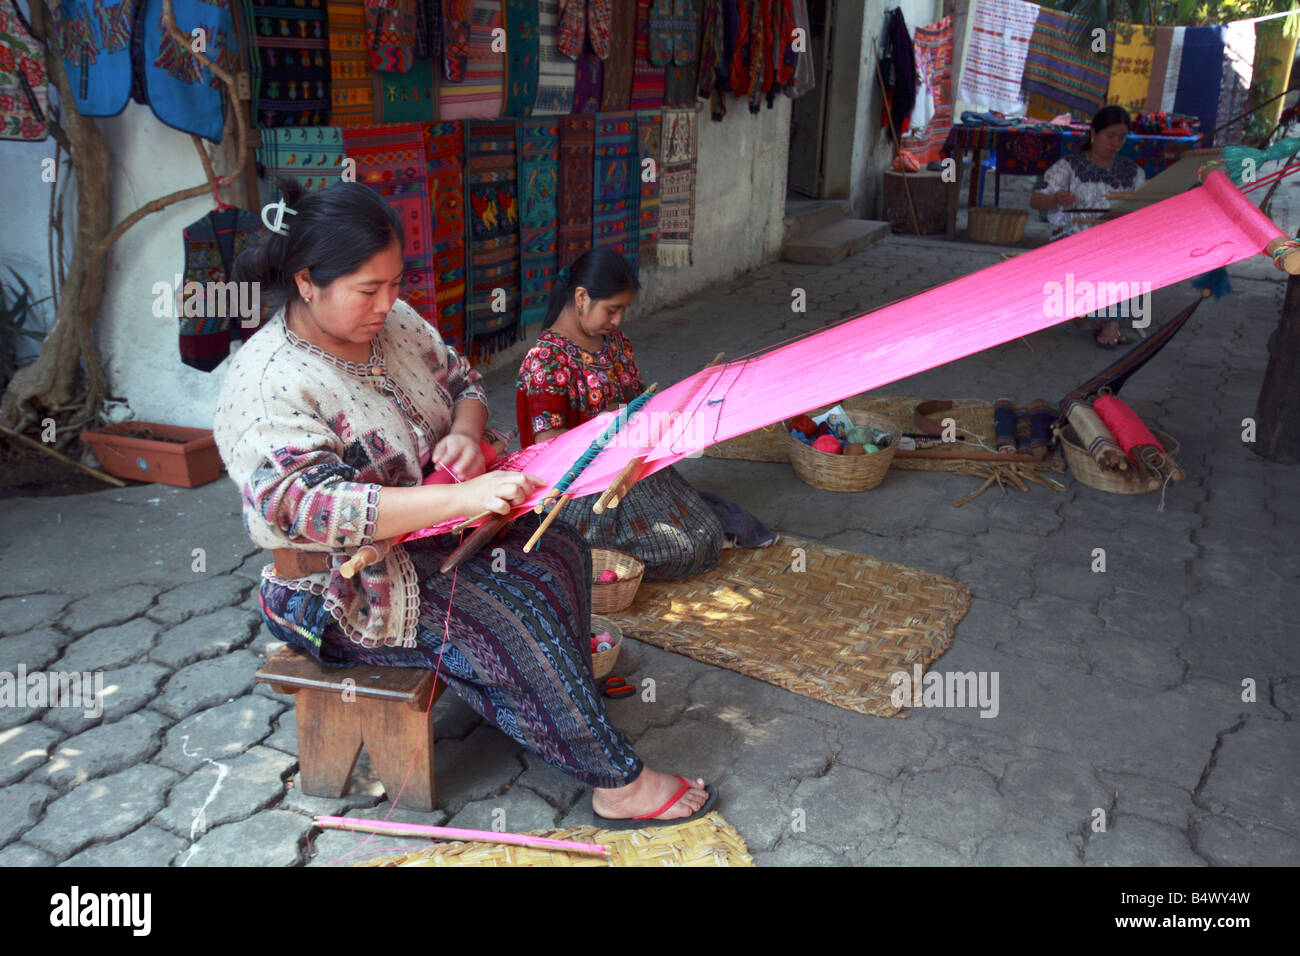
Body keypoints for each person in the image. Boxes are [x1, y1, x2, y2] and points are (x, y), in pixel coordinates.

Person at [213, 181, 715, 827]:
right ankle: (615, 780)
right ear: (307, 282)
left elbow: (464, 381)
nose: (388, 303)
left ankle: (556, 704)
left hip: (440, 526)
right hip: (348, 587)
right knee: (514, 612)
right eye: (369, 290)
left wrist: (464, 434)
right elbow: (307, 509)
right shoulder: (267, 383)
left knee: (558, 544)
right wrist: (460, 494)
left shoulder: (393, 323)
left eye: (395, 283)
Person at [516, 248, 777, 580]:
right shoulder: (545, 361)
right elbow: (548, 447)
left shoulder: (615, 344)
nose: (617, 321)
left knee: (705, 533)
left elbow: (640, 402)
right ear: (581, 297)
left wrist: (663, 412)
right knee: (683, 548)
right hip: (579, 491)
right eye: (612, 310)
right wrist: (606, 427)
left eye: (622, 310)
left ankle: (600, 561)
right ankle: (584, 561)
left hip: (629, 470)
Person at [1030, 105, 1146, 349]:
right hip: (1072, 236)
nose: (1115, 143)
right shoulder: (1068, 167)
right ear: (1093, 133)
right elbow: (1036, 200)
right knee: (1102, 256)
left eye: (1121, 137)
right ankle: (1106, 320)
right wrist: (1055, 198)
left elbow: (1142, 207)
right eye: (1110, 136)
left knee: (1130, 254)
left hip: (1114, 238)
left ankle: (1108, 320)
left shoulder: (1133, 172)